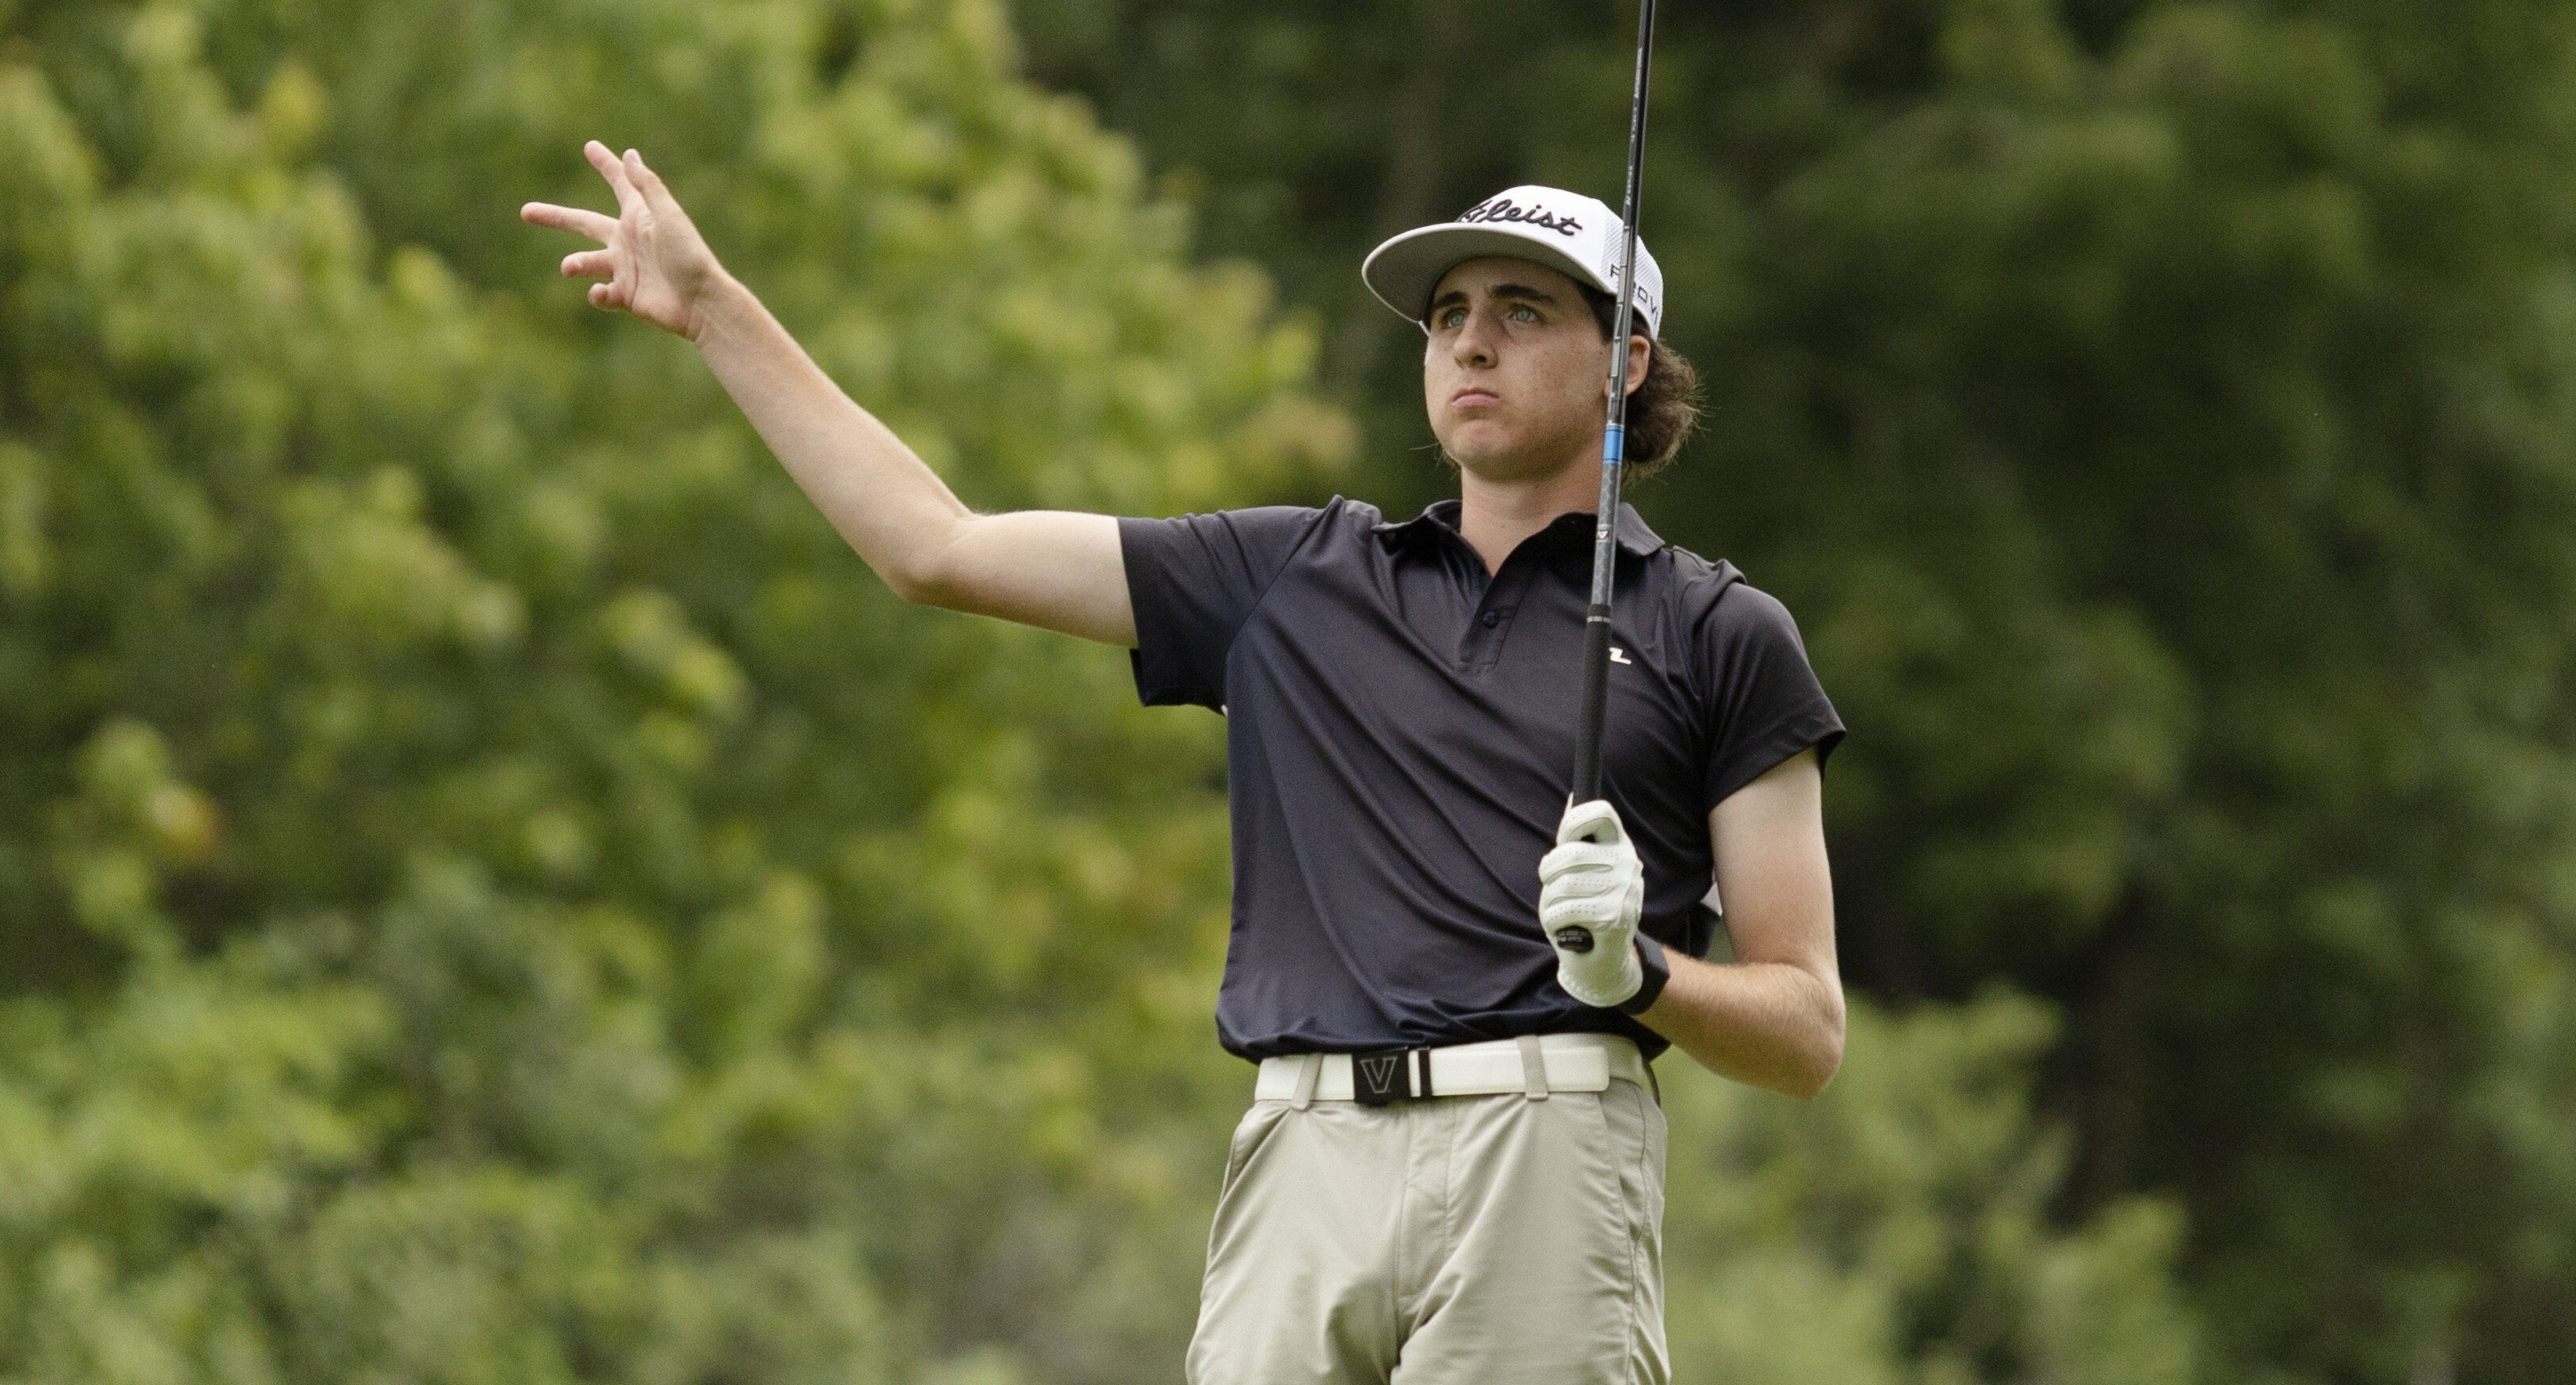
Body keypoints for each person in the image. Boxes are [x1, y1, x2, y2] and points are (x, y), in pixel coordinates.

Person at [523, 147, 1846, 1384]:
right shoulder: (1295, 578)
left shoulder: (1721, 634)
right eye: (1447, 315)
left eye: (1523, 309)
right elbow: (933, 547)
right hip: (1303, 1151)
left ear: (1625, 365)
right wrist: (714, 311)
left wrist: (1643, 971)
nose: (1471, 340)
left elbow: (1805, 1031)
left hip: (1551, 1148)